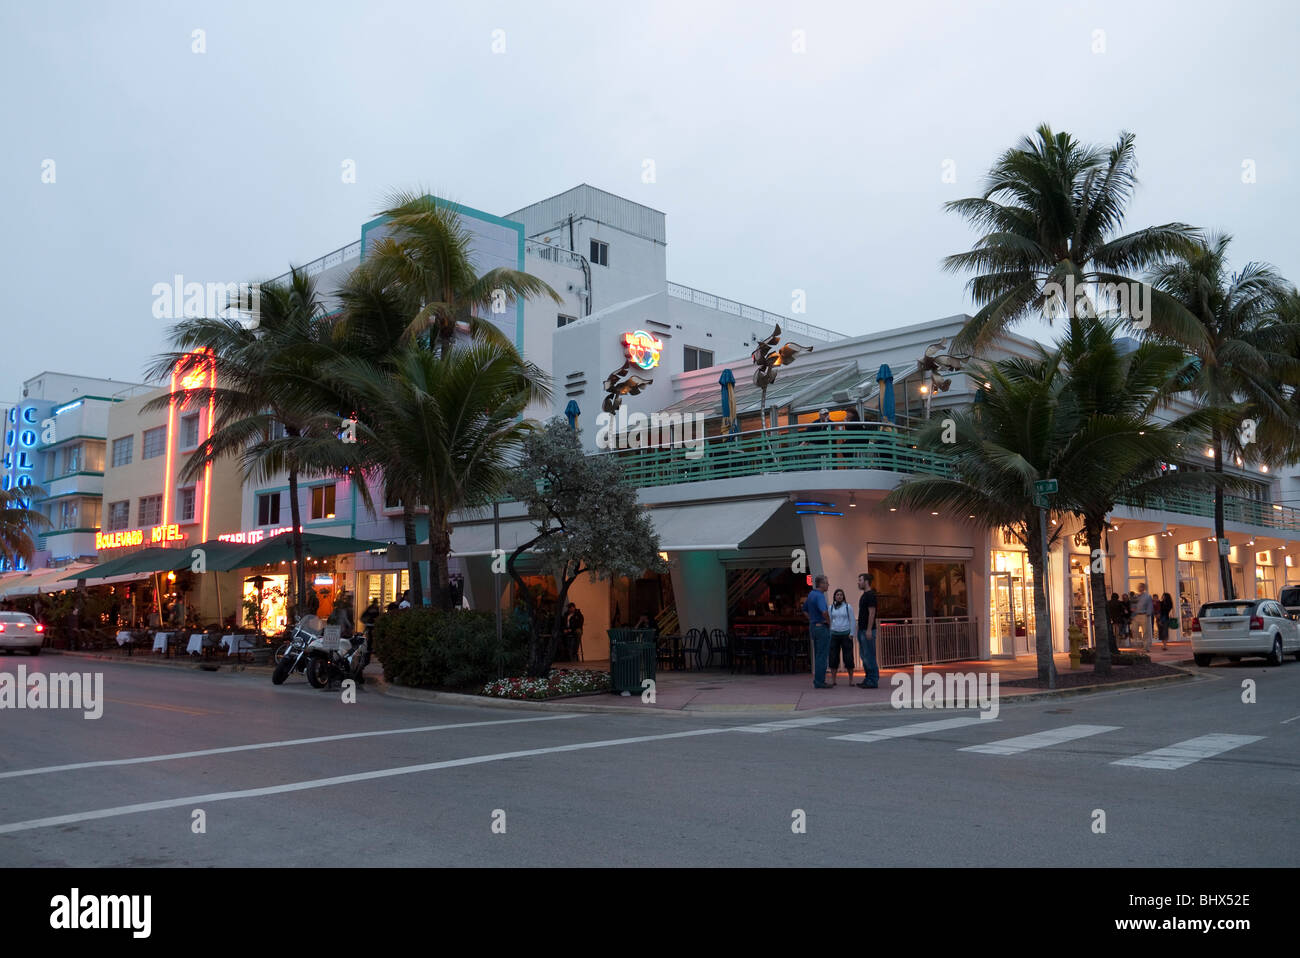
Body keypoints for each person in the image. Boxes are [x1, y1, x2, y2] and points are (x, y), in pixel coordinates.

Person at [802, 575, 832, 688]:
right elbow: (824, 611)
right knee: (822, 655)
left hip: (814, 627)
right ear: (821, 584)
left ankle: (818, 680)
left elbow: (804, 610)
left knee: (818, 654)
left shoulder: (811, 594)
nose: (828, 585)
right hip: (821, 627)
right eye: (826, 583)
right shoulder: (820, 596)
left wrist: (812, 620)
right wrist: (829, 622)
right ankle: (820, 681)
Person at [827, 588, 856, 687]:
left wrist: (852, 633)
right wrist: (829, 633)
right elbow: (829, 621)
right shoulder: (830, 608)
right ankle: (833, 680)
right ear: (834, 596)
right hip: (834, 635)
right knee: (833, 657)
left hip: (846, 634)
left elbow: (852, 620)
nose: (839, 596)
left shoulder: (848, 607)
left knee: (848, 657)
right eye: (837, 595)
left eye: (841, 595)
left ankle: (851, 680)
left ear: (843, 597)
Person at [856, 572, 880, 688]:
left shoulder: (870, 595)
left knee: (869, 655)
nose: (858, 582)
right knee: (864, 655)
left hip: (867, 630)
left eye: (860, 580)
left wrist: (869, 629)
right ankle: (868, 678)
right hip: (862, 630)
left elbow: (872, 612)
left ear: (866, 581)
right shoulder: (864, 596)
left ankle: (873, 680)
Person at [1131, 583, 1154, 651]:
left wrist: (1148, 613)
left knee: (1145, 631)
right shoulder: (1135, 596)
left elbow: (1150, 605)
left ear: (1144, 588)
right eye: (1139, 587)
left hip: (1144, 615)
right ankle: (1140, 642)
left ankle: (1146, 646)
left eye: (1141, 587)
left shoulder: (1147, 596)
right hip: (1136, 616)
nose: (1139, 588)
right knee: (1134, 630)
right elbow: (1132, 606)